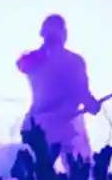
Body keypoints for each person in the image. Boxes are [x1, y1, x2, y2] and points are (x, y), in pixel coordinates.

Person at [17, 15, 101, 157]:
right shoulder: (72, 61)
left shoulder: (33, 59)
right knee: (79, 168)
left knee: (40, 171)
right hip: (59, 125)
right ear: (64, 35)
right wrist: (92, 104)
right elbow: (81, 92)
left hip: (36, 124)